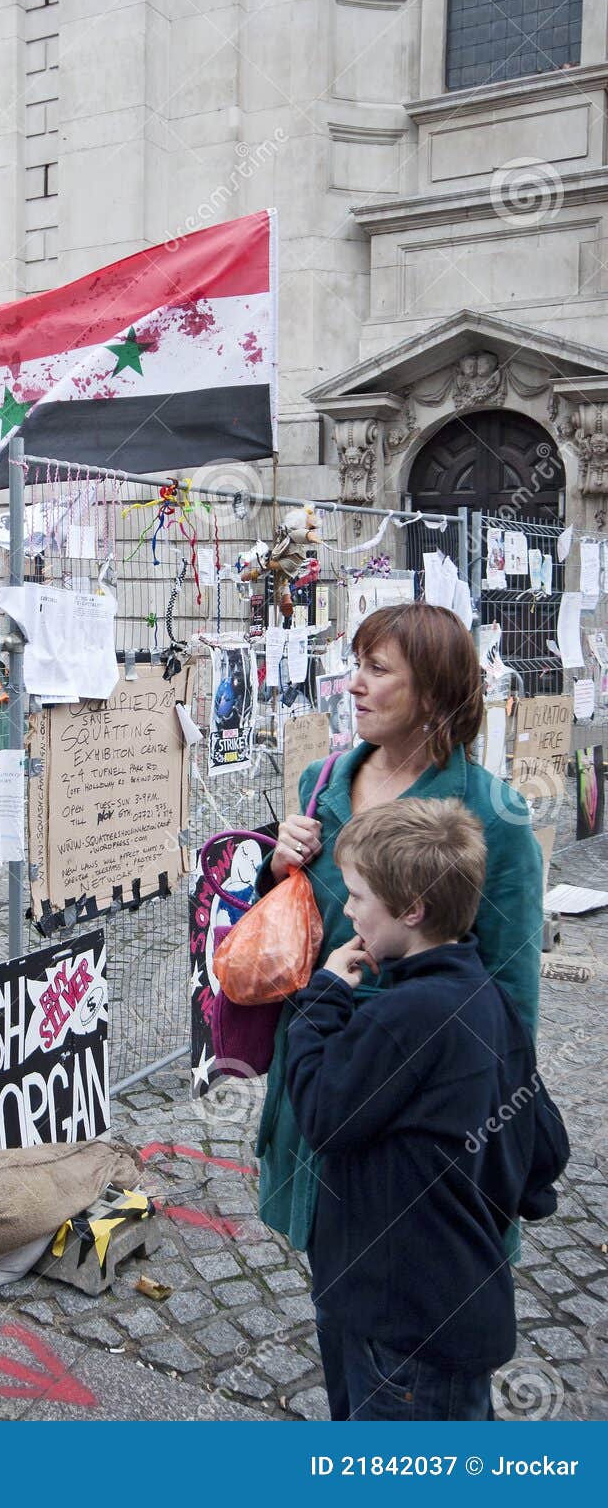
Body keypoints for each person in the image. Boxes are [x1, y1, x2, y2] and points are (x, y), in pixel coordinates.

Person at [255, 603, 543, 1262]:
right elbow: (298, 925)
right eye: (356, 664)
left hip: (419, 1095)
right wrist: (276, 869)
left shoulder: (491, 814)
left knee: (415, 1278)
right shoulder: (323, 781)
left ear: (433, 694)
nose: (353, 683)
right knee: (335, 1278)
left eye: (378, 669)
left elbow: (512, 995)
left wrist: (495, 1130)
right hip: (321, 1073)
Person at [286, 798, 568, 1420]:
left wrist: (323, 999)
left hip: (399, 1322)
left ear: (411, 910)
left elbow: (323, 1114)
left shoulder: (402, 1016)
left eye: (358, 896)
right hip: (459, 1306)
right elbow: (545, 1148)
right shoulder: (487, 999)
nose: (348, 909)